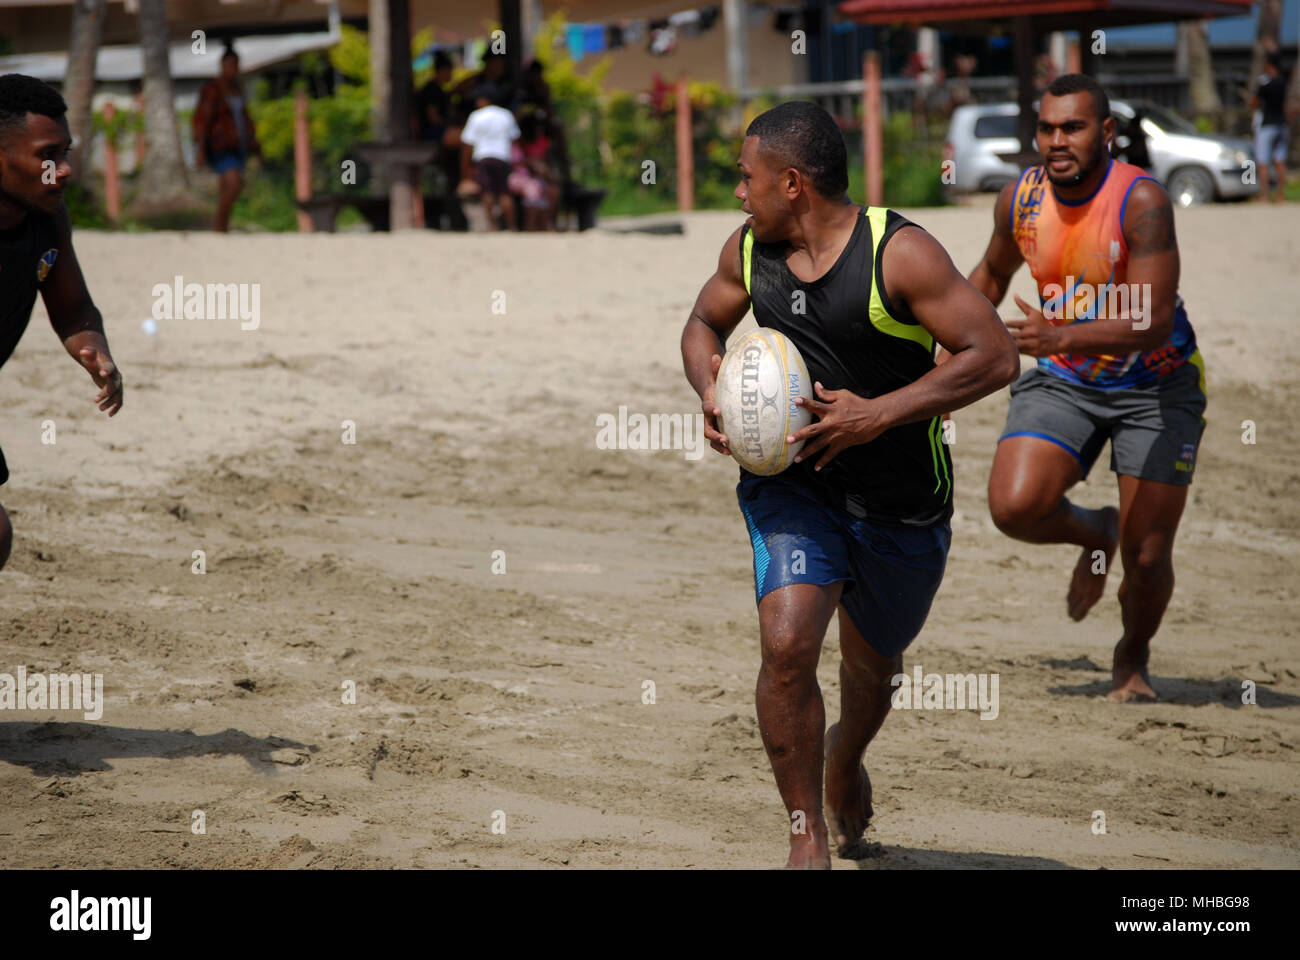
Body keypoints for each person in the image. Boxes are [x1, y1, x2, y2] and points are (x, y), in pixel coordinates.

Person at [681, 101, 1018, 869]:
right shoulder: (747, 251)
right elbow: (702, 323)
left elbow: (995, 355)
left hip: (902, 501)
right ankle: (806, 836)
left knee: (871, 669)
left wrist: (878, 415)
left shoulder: (899, 254)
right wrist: (710, 386)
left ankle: (844, 758)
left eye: (746, 177)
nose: (739, 192)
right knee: (789, 646)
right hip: (793, 486)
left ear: (792, 184)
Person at [964, 74, 1206, 703]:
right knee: (1014, 507)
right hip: (1068, 379)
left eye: (1071, 127)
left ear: (1106, 133)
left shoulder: (1141, 200)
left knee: (1147, 556)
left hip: (1157, 384)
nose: (1055, 140)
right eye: (1046, 128)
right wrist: (935, 354)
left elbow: (1151, 321)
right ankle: (1097, 531)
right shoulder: (1022, 198)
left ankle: (1131, 658)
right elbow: (989, 276)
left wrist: (1063, 338)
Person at [0, 75, 124, 571]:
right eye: (48, 156)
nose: (65, 170)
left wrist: (93, 349)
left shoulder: (47, 222)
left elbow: (72, 309)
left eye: (66, 153)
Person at [192, 44, 261, 232]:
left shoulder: (237, 89)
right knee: (233, 184)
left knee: (228, 187)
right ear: (223, 65)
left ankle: (222, 226)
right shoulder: (212, 89)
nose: (234, 69)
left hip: (237, 145)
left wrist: (255, 144)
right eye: (230, 65)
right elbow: (203, 120)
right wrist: (200, 148)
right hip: (220, 145)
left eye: (236, 65)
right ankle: (219, 226)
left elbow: (244, 119)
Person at [460, 89, 519, 232]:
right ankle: (512, 226)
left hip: (484, 156)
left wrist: (466, 167)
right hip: (502, 156)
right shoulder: (506, 115)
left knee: (488, 192)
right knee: (504, 192)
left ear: (486, 99)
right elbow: (515, 137)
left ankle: (492, 225)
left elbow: (468, 143)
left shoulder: (476, 116)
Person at [1250, 53, 1290, 204]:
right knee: (1280, 161)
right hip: (1282, 124)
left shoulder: (1265, 83)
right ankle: (1281, 196)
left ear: (1269, 65)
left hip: (1267, 125)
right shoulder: (1283, 82)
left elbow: (1254, 103)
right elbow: (1287, 104)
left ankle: (1264, 196)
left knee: (1263, 162)